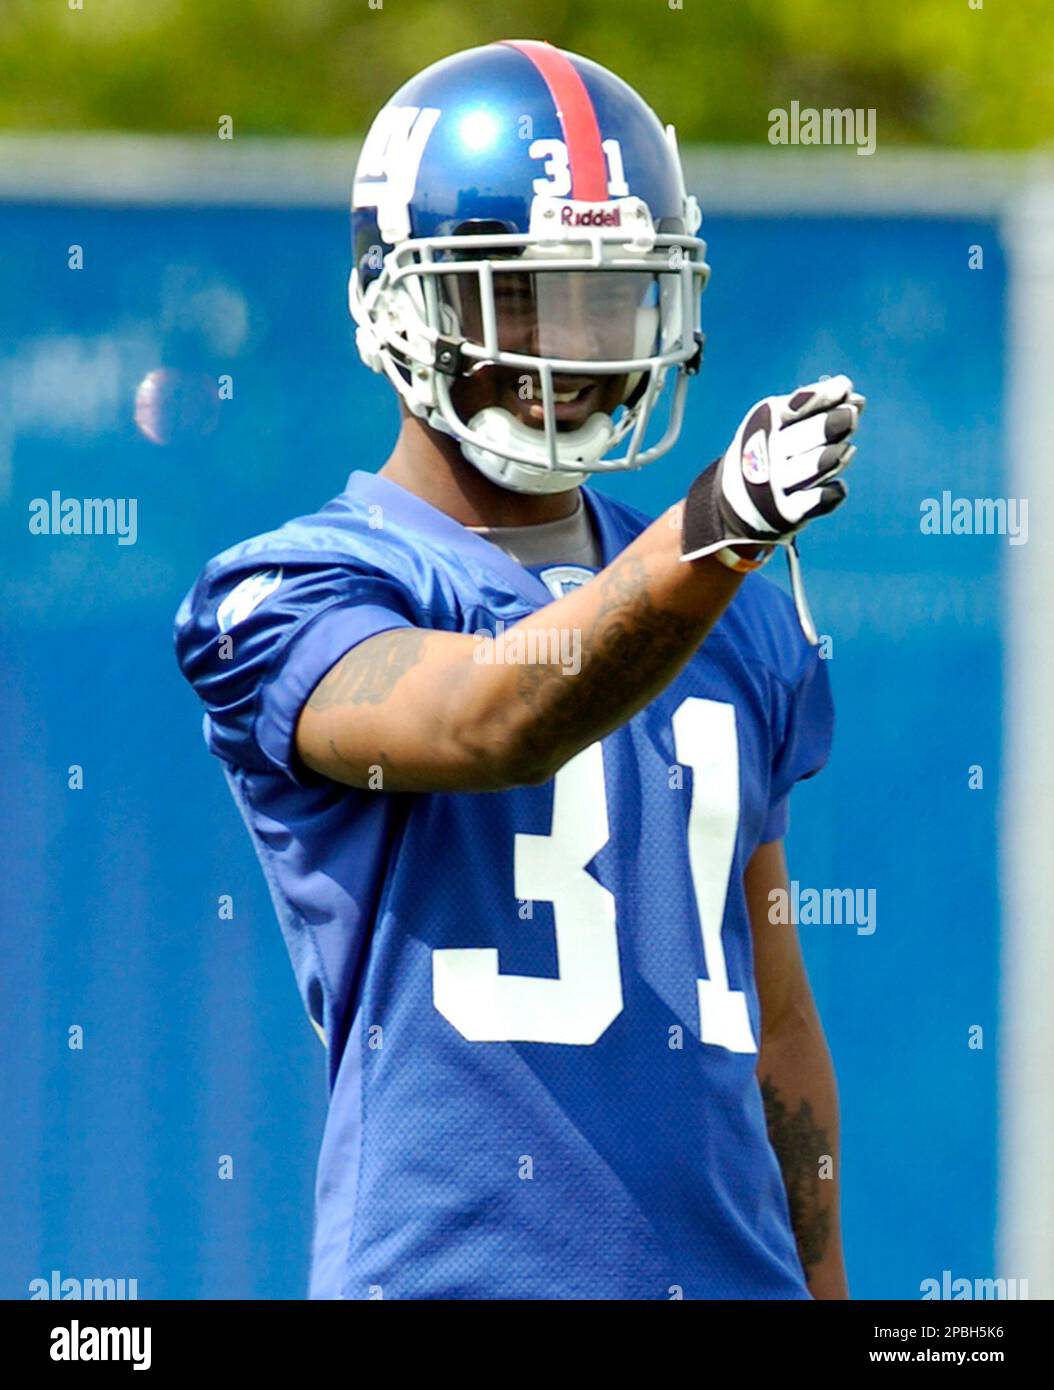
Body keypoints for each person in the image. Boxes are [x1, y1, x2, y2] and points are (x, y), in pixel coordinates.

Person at [175, 39, 863, 1300]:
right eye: (526, 295)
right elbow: (493, 718)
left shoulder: (739, 614)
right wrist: (714, 527)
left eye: (611, 295)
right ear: (401, 303)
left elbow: (775, 1028)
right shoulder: (292, 592)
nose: (577, 348)